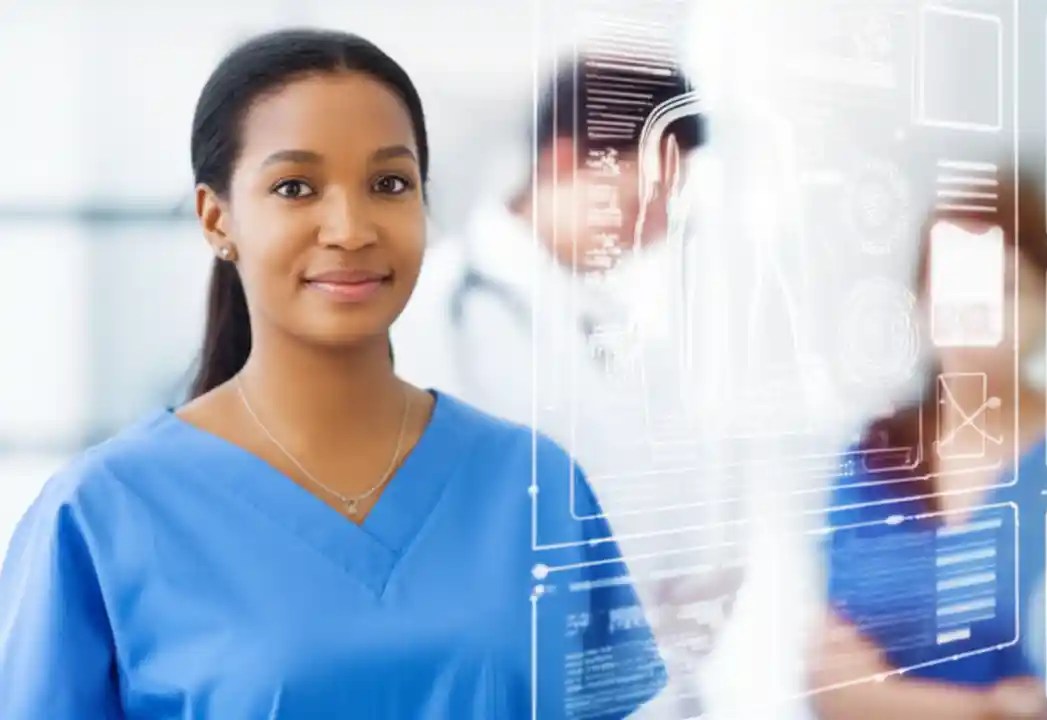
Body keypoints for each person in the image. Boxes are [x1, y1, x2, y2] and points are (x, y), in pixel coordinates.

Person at [0, 29, 665, 719]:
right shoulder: (105, 511)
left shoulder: (534, 485)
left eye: (389, 183)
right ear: (215, 217)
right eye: (295, 187)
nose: (350, 227)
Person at [393, 54, 740, 717]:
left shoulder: (621, 333)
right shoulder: (432, 312)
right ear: (559, 162)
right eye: (644, 200)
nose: (656, 230)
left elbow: (684, 546)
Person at [807, 164, 1047, 719]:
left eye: (1005, 287)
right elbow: (832, 688)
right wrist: (989, 711)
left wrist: (892, 702)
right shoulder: (873, 461)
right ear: (922, 299)